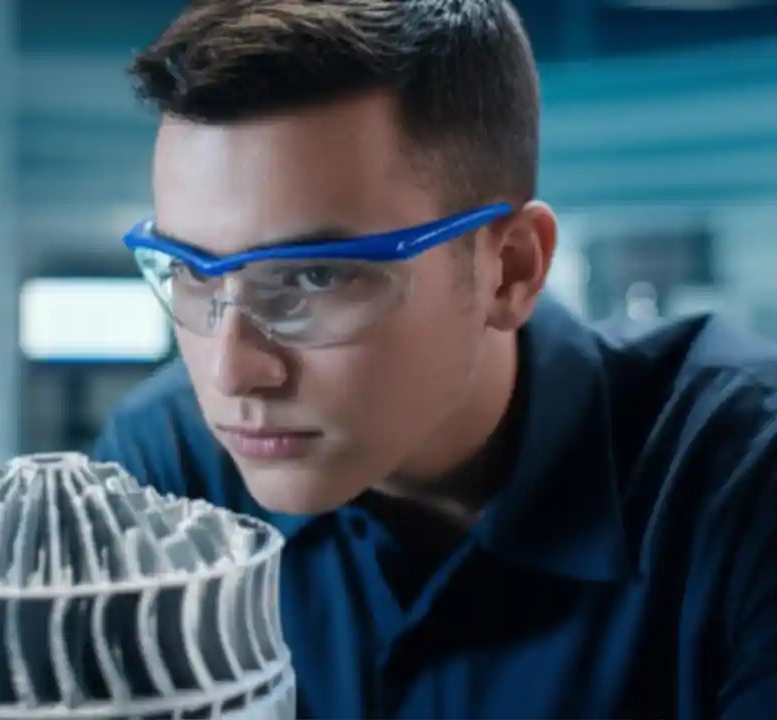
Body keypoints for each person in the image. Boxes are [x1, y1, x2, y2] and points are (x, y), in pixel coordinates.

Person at [90, 1, 777, 717]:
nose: (231, 372)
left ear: (509, 270)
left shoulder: (738, 481)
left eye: (313, 277)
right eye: (193, 273)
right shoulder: (168, 472)